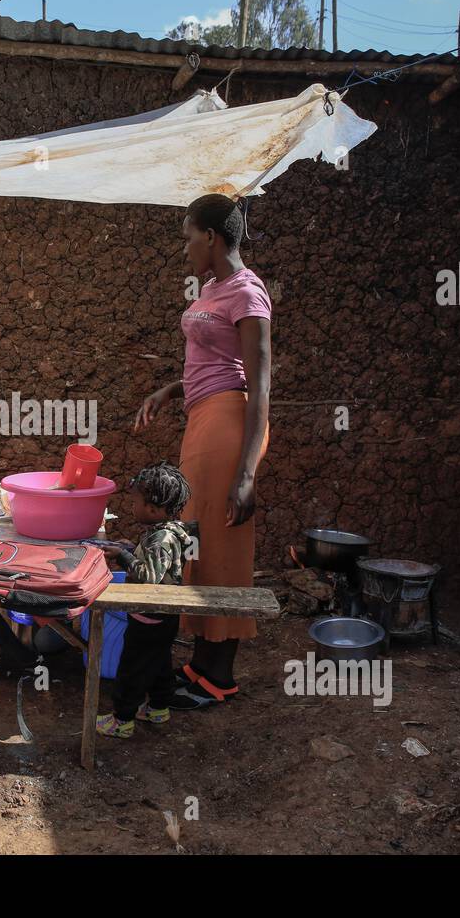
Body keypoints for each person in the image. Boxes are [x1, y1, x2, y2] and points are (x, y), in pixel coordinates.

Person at [134, 193, 272, 710]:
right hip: (203, 420)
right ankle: (204, 658)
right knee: (199, 540)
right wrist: (172, 389)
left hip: (228, 428)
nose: (186, 247)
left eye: (189, 237)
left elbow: (257, 385)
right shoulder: (216, 288)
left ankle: (220, 676)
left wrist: (248, 474)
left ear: (211, 237)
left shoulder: (247, 292)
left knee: (222, 546)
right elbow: (213, 359)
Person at [94, 463, 197, 739]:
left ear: (152, 509)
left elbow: (150, 576)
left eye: (135, 502)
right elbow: (160, 563)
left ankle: (122, 720)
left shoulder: (161, 538)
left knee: (132, 669)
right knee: (159, 662)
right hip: (165, 615)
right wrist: (132, 548)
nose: (132, 507)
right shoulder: (172, 530)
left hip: (148, 616)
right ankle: (158, 707)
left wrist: (123, 557)